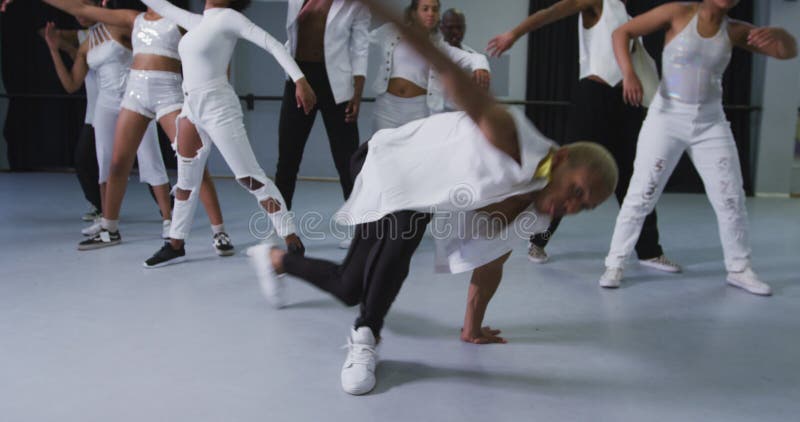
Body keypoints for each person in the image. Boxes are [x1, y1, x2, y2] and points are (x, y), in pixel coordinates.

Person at [248, 0, 618, 395]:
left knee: (348, 286)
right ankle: (365, 337)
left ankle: (274, 260)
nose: (573, 206)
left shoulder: (540, 211)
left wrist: (471, 327)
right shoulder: (512, 136)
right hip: (387, 161)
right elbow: (447, 70)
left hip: (419, 192)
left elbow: (493, 260)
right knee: (404, 234)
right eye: (577, 190)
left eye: (586, 205)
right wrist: (380, 8)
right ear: (561, 159)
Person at [602, 0, 797, 293]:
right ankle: (614, 263)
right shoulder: (678, 13)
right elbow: (622, 32)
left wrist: (782, 35)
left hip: (710, 123)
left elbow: (787, 51)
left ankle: (739, 268)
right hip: (667, 117)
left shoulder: (735, 31)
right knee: (642, 193)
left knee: (731, 198)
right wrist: (628, 73)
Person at [487, 0, 679, 274]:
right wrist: (513, 34)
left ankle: (650, 250)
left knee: (635, 177)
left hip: (629, 102)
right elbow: (549, 13)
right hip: (594, 96)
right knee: (568, 173)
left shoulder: (629, 12)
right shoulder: (596, 2)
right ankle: (537, 241)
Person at [42, 0, 236, 257]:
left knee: (193, 159)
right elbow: (82, 10)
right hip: (135, 94)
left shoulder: (181, 19)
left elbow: (216, 48)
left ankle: (219, 231)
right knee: (118, 162)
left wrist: (215, 88)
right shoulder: (133, 18)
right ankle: (110, 228)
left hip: (168, 93)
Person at [135, 0, 316, 267]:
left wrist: (300, 80)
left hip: (218, 105)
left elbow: (272, 44)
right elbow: (158, 3)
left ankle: (291, 238)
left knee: (249, 177)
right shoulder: (195, 21)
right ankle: (176, 243)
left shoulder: (229, 18)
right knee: (186, 181)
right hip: (190, 106)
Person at [36, 7, 174, 250]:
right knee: (105, 162)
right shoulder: (86, 44)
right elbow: (71, 84)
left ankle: (169, 219)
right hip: (106, 105)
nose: (79, 14)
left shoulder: (119, 27)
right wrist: (53, 48)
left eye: (82, 7)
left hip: (135, 99)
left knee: (150, 156)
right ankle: (109, 222)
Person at [274, 0, 370, 219]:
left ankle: (356, 223)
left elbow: (360, 47)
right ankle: (278, 223)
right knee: (288, 158)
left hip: (337, 83)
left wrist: (357, 92)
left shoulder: (355, 4)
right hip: (298, 79)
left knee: (347, 160)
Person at [369, 0, 490, 132]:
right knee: (382, 149)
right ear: (414, 13)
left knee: (416, 151)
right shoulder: (391, 31)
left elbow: (474, 58)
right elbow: (363, 42)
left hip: (418, 110)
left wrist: (481, 67)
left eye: (435, 9)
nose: (431, 13)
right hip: (387, 107)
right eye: (425, 9)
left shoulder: (439, 47)